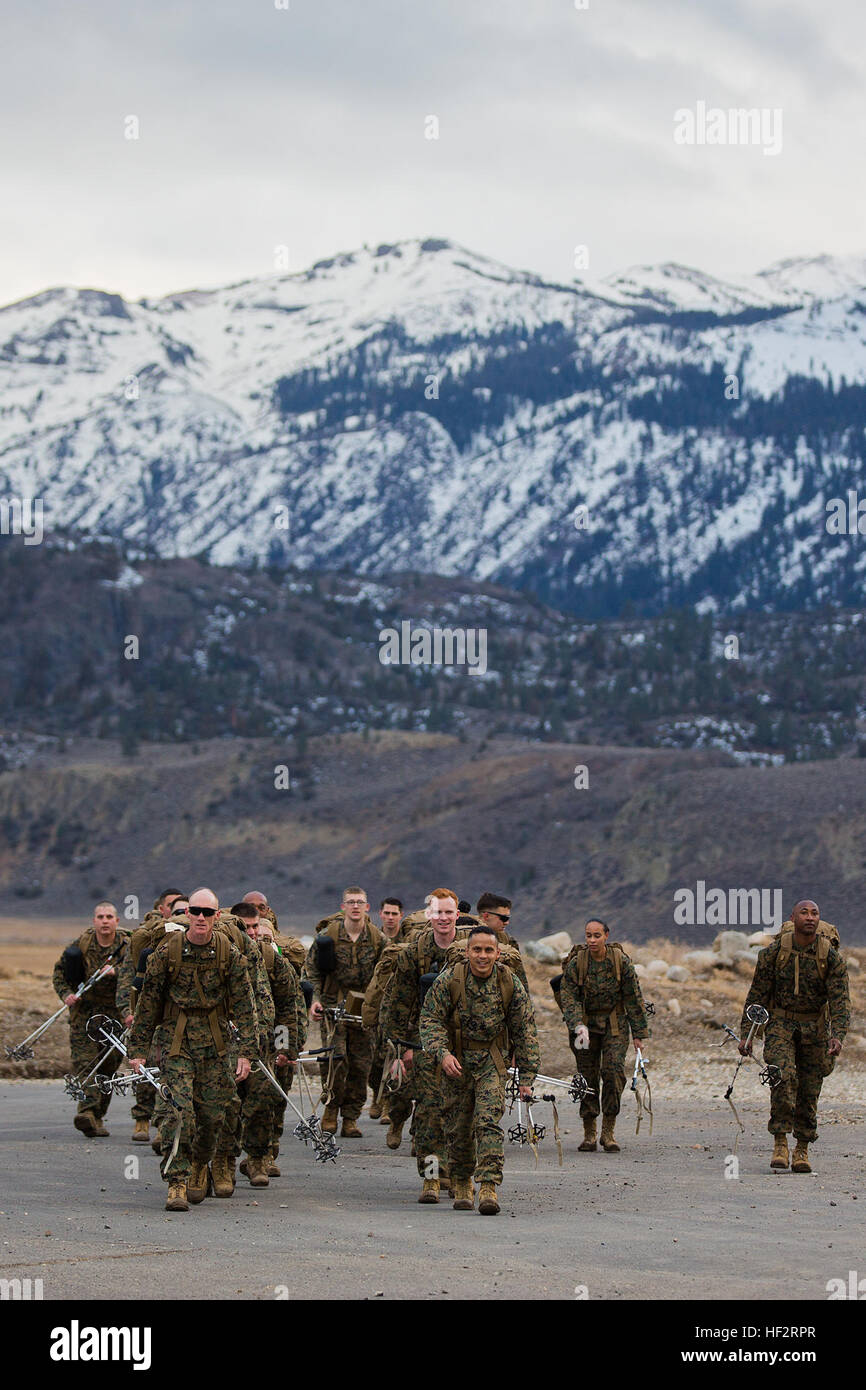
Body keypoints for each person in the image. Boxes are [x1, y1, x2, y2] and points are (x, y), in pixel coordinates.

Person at [128, 887, 257, 1212]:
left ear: (216, 916)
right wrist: (138, 1049)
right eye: (196, 911)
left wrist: (246, 1053)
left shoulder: (229, 954)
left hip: (215, 1046)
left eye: (208, 913)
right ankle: (177, 1182)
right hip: (177, 1044)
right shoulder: (167, 953)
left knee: (214, 1117)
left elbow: (245, 1005)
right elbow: (148, 1004)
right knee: (177, 1113)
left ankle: (201, 1164)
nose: (201, 917)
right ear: (187, 914)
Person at [419, 926, 539, 1215]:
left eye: (488, 950)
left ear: (497, 953)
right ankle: (461, 1182)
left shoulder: (508, 982)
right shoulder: (451, 980)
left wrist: (526, 1076)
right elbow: (430, 1019)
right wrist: (442, 1054)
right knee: (458, 1127)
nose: (482, 955)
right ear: (468, 951)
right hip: (456, 1063)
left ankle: (488, 1185)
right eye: (477, 949)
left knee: (487, 1122)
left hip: (491, 1061)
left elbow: (525, 1030)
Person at [739, 899, 849, 1173]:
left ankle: (802, 1148)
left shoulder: (830, 957)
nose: (810, 917)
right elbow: (757, 996)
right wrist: (747, 1034)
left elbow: (840, 1001)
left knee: (810, 1088)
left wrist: (838, 1035)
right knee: (780, 1076)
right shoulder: (773, 953)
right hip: (781, 1023)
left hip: (815, 1027)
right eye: (805, 913)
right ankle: (780, 1141)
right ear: (793, 918)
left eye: (815, 913)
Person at [559, 919, 650, 1153]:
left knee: (613, 1072)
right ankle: (589, 1133)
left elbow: (633, 996)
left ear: (606, 936)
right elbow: (568, 996)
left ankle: (608, 1131)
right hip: (585, 1026)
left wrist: (639, 1033)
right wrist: (577, 1024)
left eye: (596, 935)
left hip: (615, 1024)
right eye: (588, 935)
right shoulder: (578, 963)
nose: (591, 940)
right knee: (587, 1077)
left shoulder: (620, 961)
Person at [304, 886, 384, 1137]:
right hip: (333, 1007)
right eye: (351, 902)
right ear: (343, 906)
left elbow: (385, 974)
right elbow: (311, 972)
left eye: (360, 902)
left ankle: (350, 1117)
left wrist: (380, 1006)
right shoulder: (328, 937)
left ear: (367, 907)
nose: (356, 906)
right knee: (335, 1061)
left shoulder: (377, 938)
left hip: (363, 1010)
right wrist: (314, 1000)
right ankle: (330, 1110)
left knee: (361, 1065)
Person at [52, 902, 130, 1137]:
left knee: (108, 1066)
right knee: (85, 1062)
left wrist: (119, 973)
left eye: (109, 917)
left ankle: (97, 1115)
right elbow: (59, 973)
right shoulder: (81, 945)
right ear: (94, 921)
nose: (105, 921)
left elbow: (141, 974)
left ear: (116, 921)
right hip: (85, 1014)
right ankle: (86, 1111)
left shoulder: (127, 946)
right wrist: (67, 995)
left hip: (115, 1015)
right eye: (100, 917)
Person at [117, 895, 188, 1143]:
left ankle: (166, 1127)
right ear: (165, 910)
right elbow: (131, 980)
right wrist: (129, 1011)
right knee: (150, 1072)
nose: (184, 914)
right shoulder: (150, 947)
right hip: (158, 1022)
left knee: (173, 1076)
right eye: (178, 909)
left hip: (186, 1026)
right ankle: (143, 1119)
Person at [368, 896, 407, 1118]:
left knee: (394, 1054)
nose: (390, 917)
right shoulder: (374, 938)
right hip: (377, 1003)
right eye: (387, 913)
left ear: (401, 916)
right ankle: (376, 1093)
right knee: (374, 1057)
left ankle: (388, 1102)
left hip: (397, 1004)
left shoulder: (409, 939)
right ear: (380, 914)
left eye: (395, 914)